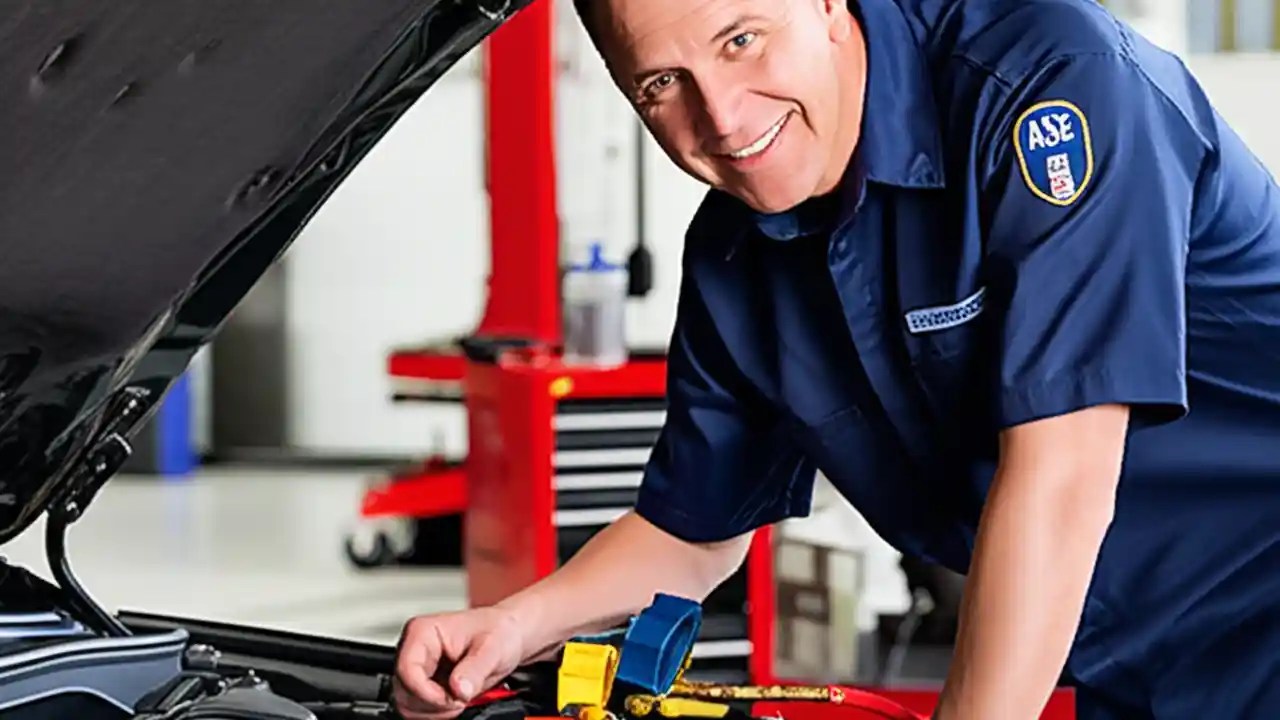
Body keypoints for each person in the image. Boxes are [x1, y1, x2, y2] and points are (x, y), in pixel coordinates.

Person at [393, 0, 1280, 717]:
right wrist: (510, 628)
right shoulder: (739, 254)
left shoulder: (1052, 88)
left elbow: (1062, 480)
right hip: (1132, 657)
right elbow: (692, 531)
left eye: (741, 40)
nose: (722, 118)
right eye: (663, 83)